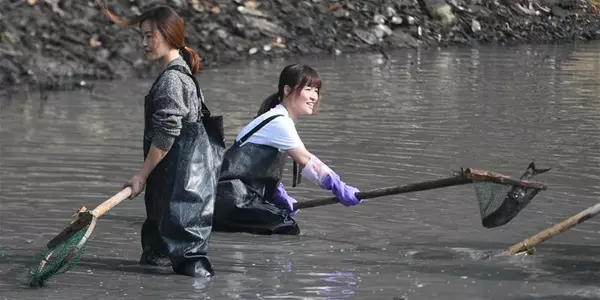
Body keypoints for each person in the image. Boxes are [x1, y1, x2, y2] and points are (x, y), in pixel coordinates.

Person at [101, 4, 223, 277]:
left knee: (186, 267)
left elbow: (167, 134)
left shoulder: (172, 81)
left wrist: (141, 177)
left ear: (168, 34)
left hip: (178, 194)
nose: (144, 43)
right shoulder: (184, 75)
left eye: (149, 35)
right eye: (141, 36)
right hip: (182, 193)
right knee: (161, 265)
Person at [213, 64, 361, 235]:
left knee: (281, 222)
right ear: (287, 90)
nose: (314, 96)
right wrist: (338, 186)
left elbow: (258, 168)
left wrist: (276, 193)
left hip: (232, 197)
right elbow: (305, 160)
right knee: (286, 228)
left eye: (316, 90)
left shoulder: (276, 118)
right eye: (308, 89)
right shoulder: (279, 122)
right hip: (232, 199)